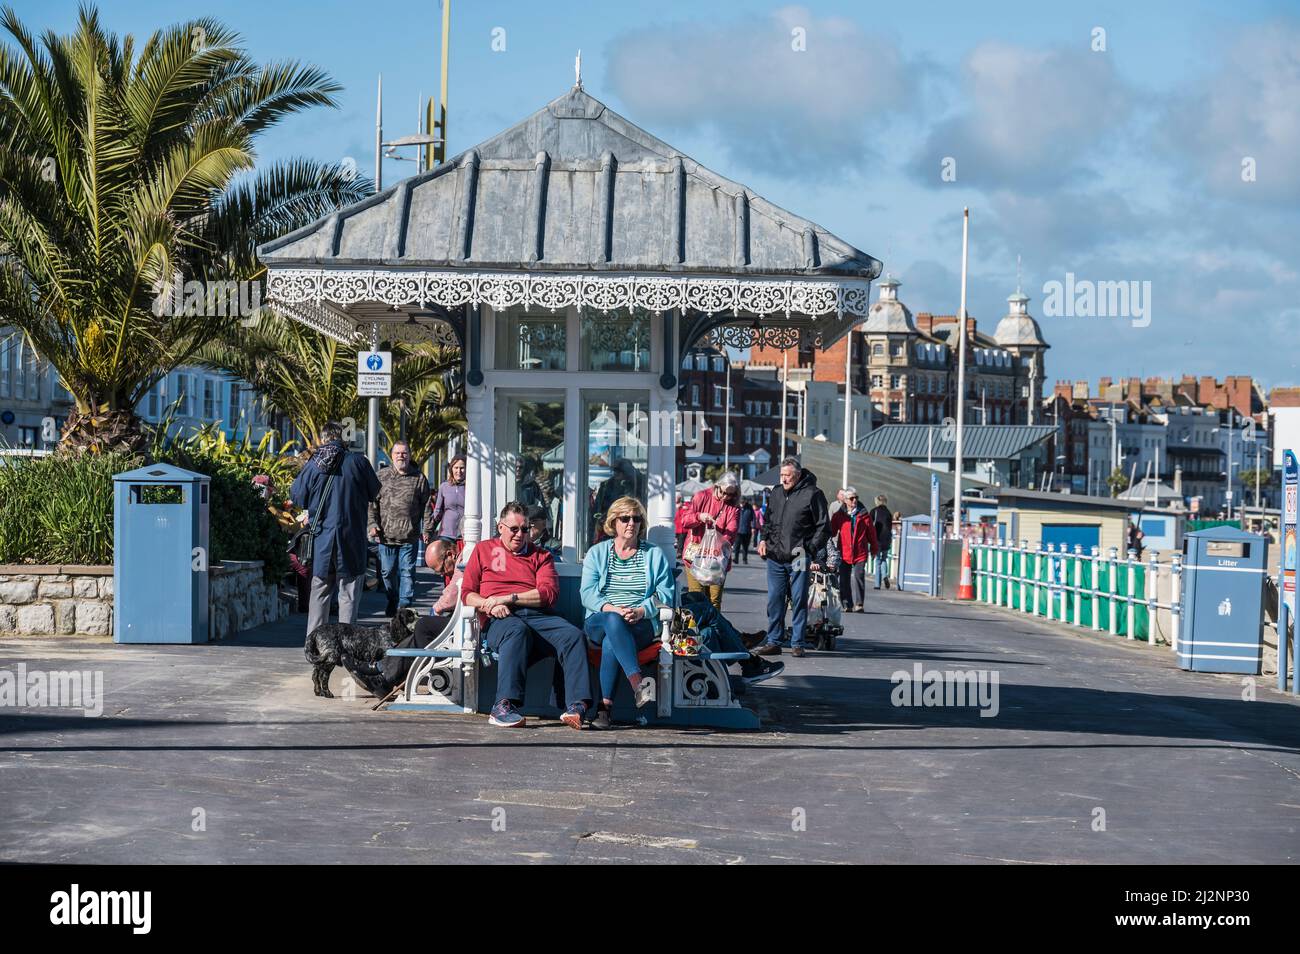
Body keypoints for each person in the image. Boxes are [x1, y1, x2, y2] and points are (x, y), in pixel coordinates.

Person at [461, 502, 593, 729]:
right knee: (516, 630)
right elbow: (467, 593)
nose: (520, 534)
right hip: (499, 620)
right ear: (500, 527)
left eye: (525, 529)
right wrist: (488, 604)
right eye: (514, 529)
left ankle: (576, 707)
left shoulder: (541, 556)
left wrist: (508, 598)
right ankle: (503, 706)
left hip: (536, 615)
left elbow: (547, 594)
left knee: (573, 635)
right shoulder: (483, 550)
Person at [580, 496, 675, 729]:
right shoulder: (597, 553)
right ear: (614, 522)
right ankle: (637, 683)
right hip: (600, 619)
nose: (631, 523)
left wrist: (642, 610)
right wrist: (614, 609)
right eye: (625, 518)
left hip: (639, 622)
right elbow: (587, 594)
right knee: (613, 622)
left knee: (616, 638)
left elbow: (666, 593)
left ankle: (604, 710)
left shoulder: (653, 554)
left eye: (636, 519)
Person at [291, 421, 381, 637]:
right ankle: (346, 645)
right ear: (343, 438)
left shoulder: (314, 464)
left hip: (322, 540)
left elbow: (297, 496)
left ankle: (315, 643)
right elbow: (375, 492)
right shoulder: (358, 462)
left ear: (322, 439)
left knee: (320, 593)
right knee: (348, 594)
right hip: (351, 540)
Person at [754, 457, 829, 658]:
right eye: (782, 475)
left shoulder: (813, 494)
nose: (784, 479)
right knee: (775, 599)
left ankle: (797, 642)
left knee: (798, 599)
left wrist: (810, 549)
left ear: (797, 475)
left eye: (787, 476)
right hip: (775, 556)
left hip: (799, 555)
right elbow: (768, 521)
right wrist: (763, 540)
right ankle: (774, 641)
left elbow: (823, 527)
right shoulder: (776, 492)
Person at [368, 440, 431, 617]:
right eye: (397, 453)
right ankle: (393, 599)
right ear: (391, 455)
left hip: (409, 538)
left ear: (409, 455)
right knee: (387, 573)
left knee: (407, 574)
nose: (401, 456)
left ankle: (404, 607)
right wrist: (372, 525)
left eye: (404, 453)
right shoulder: (381, 476)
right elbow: (372, 504)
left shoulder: (418, 478)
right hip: (386, 537)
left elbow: (426, 506)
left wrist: (427, 530)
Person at [680, 472, 741, 609]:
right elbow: (685, 520)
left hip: (717, 558)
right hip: (695, 556)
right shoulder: (701, 496)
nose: (725, 497)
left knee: (714, 600)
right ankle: (694, 629)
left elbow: (732, 530)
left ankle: (712, 629)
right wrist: (699, 517)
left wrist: (720, 543)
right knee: (696, 596)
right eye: (724, 493)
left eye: (730, 495)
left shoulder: (733, 507)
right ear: (716, 486)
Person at [828, 487, 877, 612]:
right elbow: (832, 531)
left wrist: (874, 548)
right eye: (851, 498)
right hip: (844, 551)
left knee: (859, 576)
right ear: (845, 500)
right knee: (844, 579)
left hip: (860, 551)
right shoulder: (839, 515)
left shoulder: (864, 514)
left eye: (856, 497)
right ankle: (847, 604)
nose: (854, 500)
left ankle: (859, 604)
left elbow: (871, 533)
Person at [428, 454, 466, 552]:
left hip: (464, 535)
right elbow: (438, 511)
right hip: (446, 534)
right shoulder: (444, 486)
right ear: (451, 469)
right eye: (456, 468)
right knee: (445, 563)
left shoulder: (470, 487)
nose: (459, 471)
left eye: (462, 468)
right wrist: (429, 530)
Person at [869, 494, 894, 590]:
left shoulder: (874, 511)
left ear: (877, 501)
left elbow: (869, 526)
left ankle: (877, 584)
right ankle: (884, 575)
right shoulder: (888, 513)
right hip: (887, 540)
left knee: (878, 561)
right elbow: (890, 527)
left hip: (877, 539)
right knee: (884, 559)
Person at [735, 498, 755, 564]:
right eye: (741, 503)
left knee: (745, 546)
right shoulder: (737, 507)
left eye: (743, 503)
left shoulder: (749, 508)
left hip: (747, 530)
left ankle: (745, 559)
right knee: (737, 546)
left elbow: (754, 518)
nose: (741, 504)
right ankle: (736, 559)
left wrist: (753, 527)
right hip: (738, 531)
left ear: (745, 502)